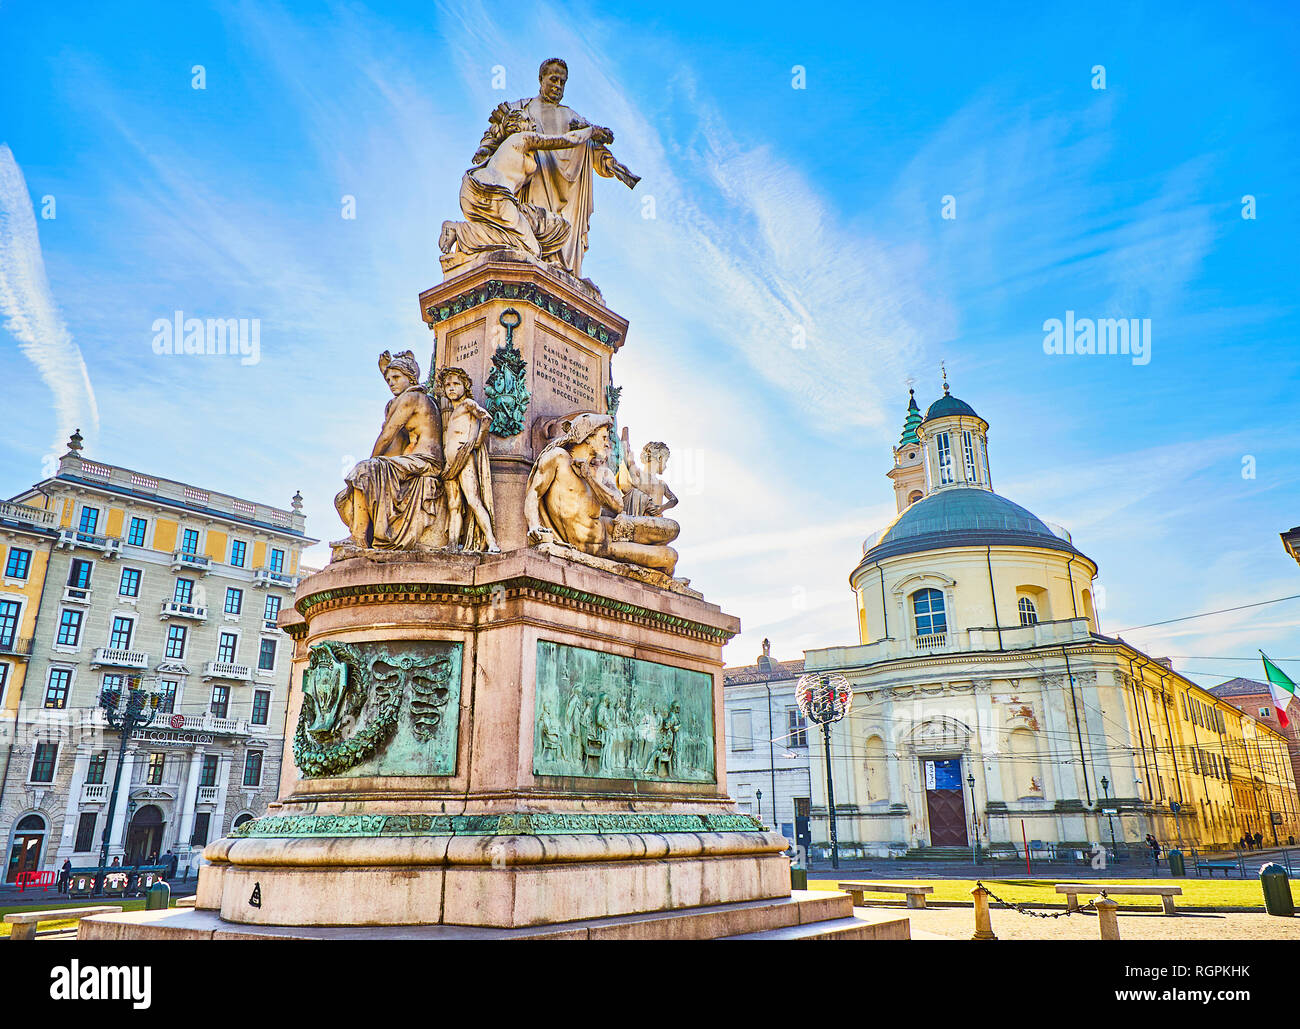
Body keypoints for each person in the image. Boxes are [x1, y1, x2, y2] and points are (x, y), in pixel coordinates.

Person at [440, 110, 610, 268]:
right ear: (516, 126)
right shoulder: (522, 139)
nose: (533, 124)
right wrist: (590, 131)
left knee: (513, 238)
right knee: (532, 251)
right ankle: (459, 230)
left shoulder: (512, 149)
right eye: (527, 120)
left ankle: (461, 231)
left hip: (478, 189)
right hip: (493, 193)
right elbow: (566, 140)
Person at [335, 351, 446, 550]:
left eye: (396, 378)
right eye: (388, 380)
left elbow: (387, 435)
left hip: (426, 460)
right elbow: (394, 446)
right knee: (360, 478)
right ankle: (359, 534)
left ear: (411, 378)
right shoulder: (410, 398)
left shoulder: (412, 397)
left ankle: (358, 536)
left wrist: (370, 467)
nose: (391, 383)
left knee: (364, 471)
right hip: (416, 460)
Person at [436, 367, 498, 553]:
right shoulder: (450, 412)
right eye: (447, 385)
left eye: (456, 384)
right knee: (453, 505)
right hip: (450, 465)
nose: (451, 388)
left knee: (473, 500)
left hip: (465, 459)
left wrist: (476, 442)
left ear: (466, 386)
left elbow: (486, 418)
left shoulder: (468, 404)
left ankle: (492, 542)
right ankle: (453, 545)